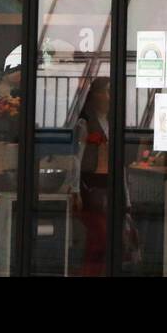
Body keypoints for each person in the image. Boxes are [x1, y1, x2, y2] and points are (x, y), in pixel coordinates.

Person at [74, 78, 112, 277]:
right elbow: (77, 158)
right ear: (94, 95)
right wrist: (75, 190)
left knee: (107, 236)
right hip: (91, 183)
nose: (108, 96)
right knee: (99, 234)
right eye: (104, 91)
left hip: (110, 183)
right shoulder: (85, 122)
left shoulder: (113, 121)